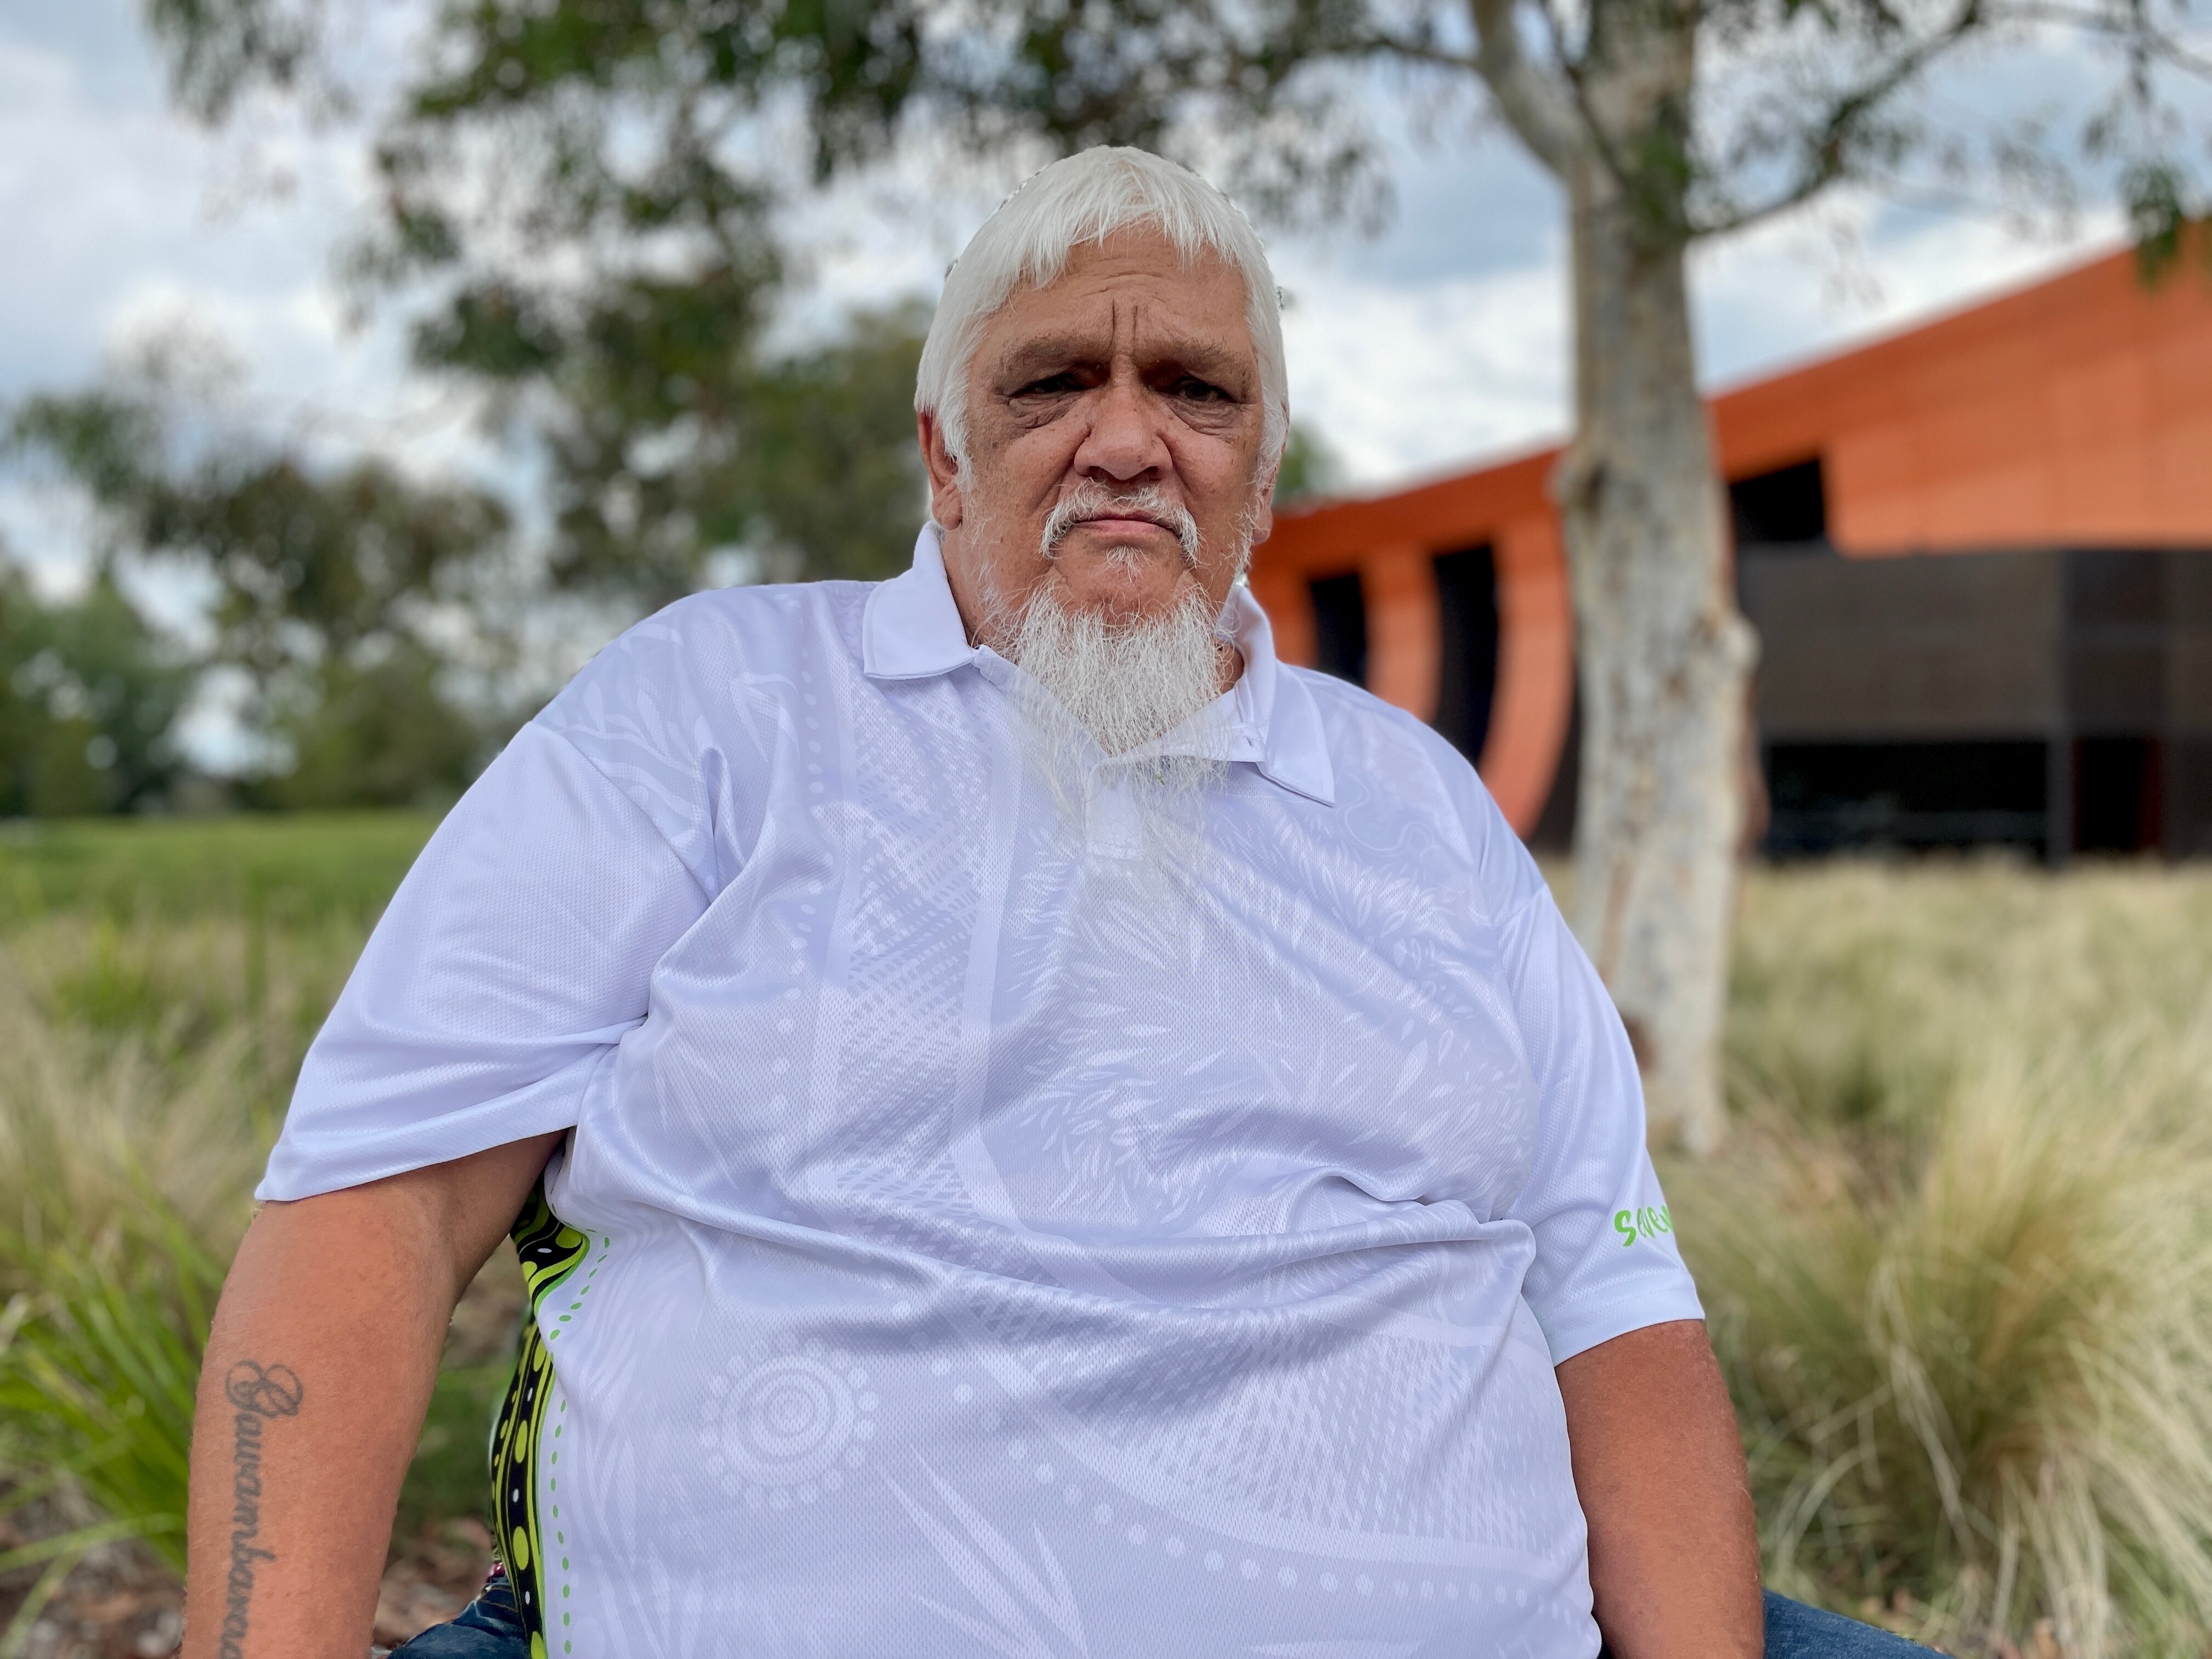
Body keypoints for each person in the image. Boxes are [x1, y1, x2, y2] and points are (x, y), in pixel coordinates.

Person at [182, 146, 1928, 1659]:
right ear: (943, 456)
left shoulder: (1421, 810)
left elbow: (1613, 1300)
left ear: (1261, 466)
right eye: (1047, 386)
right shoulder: (709, 716)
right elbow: (375, 1210)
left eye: (1195, 388)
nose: (1128, 438)